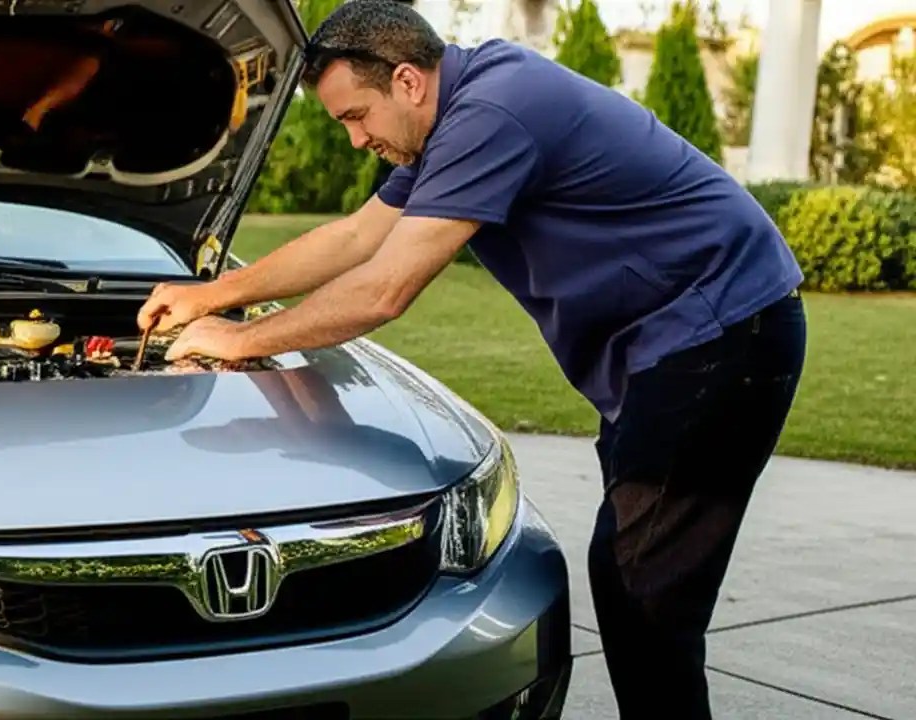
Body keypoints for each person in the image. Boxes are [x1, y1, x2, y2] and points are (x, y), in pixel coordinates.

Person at [135, 2, 807, 717]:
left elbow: (385, 287)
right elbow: (358, 237)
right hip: (680, 349)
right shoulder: (454, 118)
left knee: (644, 594)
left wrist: (239, 339)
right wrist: (212, 295)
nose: (358, 139)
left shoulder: (494, 112)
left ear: (408, 81)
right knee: (642, 590)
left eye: (356, 116)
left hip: (721, 336)